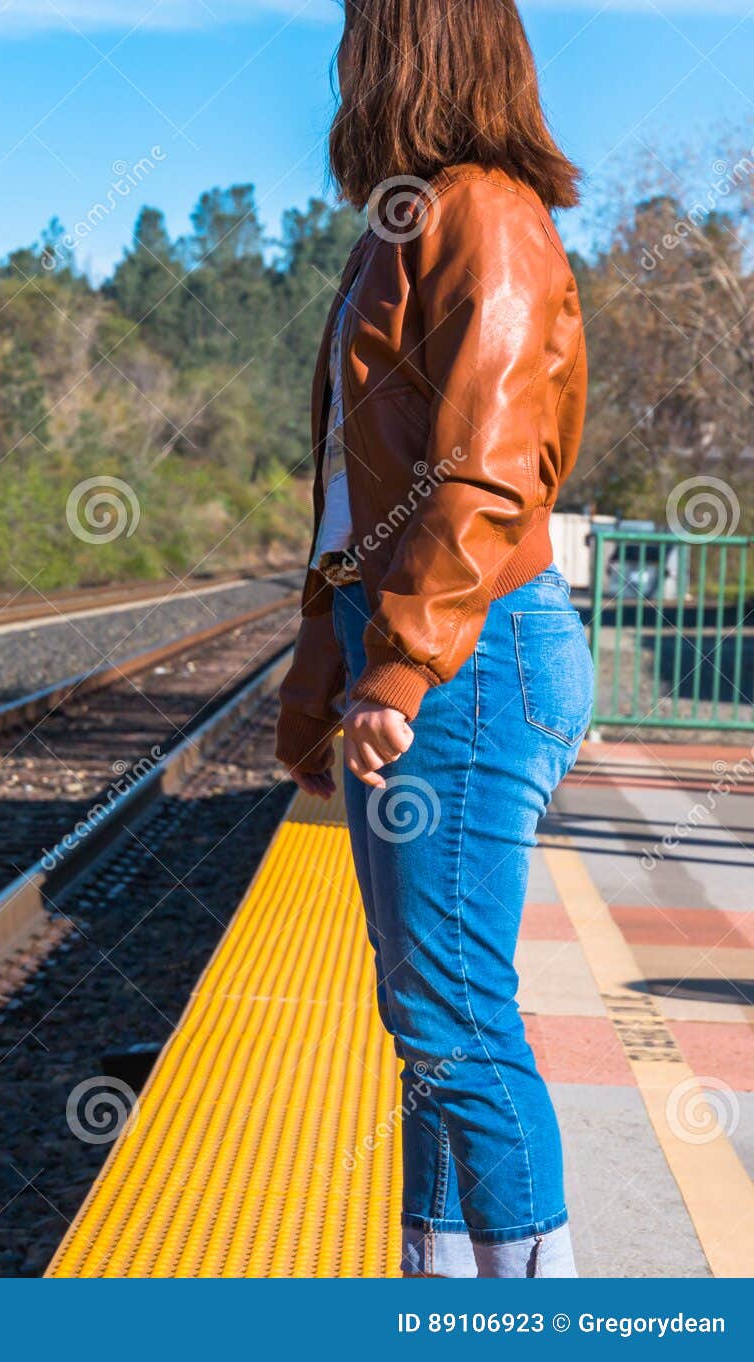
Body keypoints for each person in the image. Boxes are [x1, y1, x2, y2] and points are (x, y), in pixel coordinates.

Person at [275, 0, 591, 1278]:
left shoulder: (482, 215)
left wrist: (399, 666)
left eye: (361, 34)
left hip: (470, 653)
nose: (343, 60)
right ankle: (438, 1297)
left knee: (454, 1013)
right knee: (425, 1018)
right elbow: (353, 510)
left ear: (410, 49)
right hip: (431, 644)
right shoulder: (406, 223)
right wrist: (324, 685)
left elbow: (484, 470)